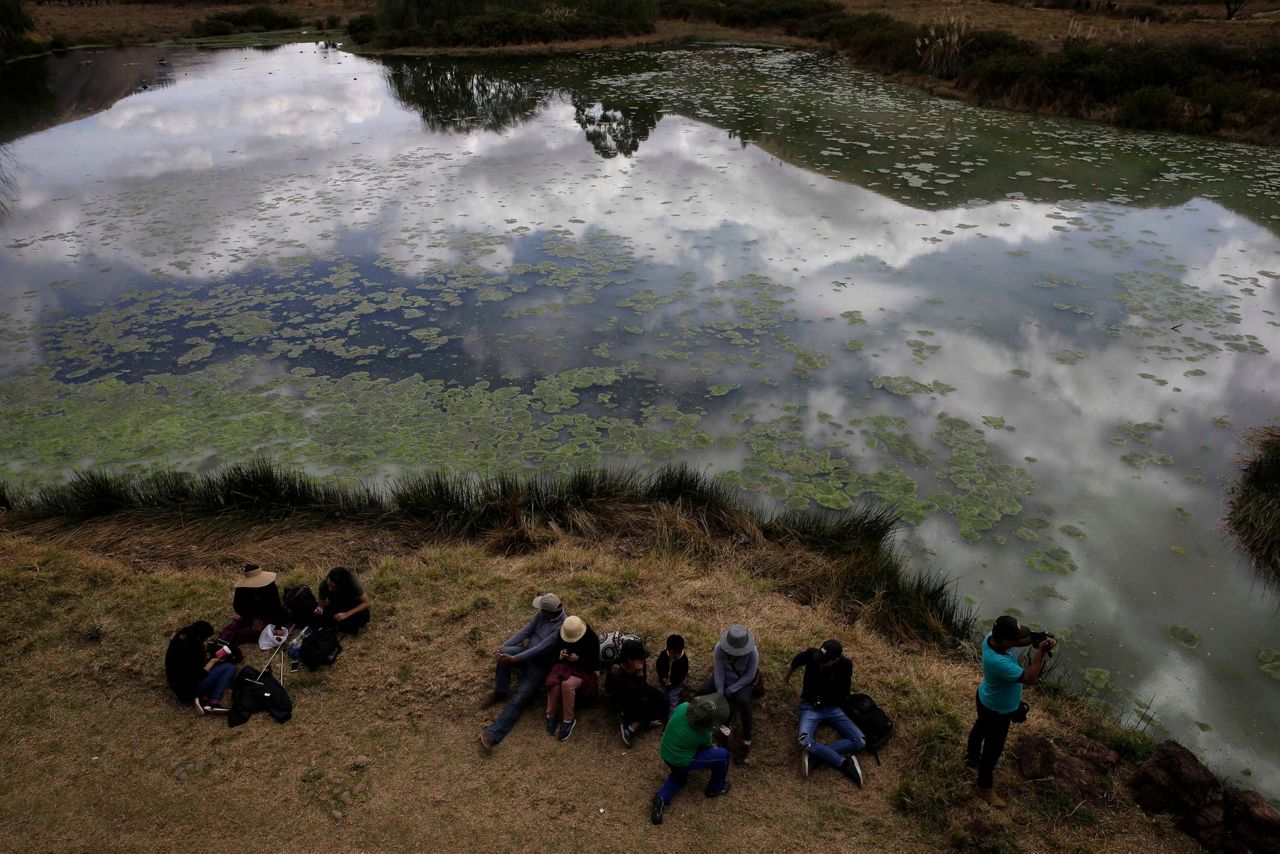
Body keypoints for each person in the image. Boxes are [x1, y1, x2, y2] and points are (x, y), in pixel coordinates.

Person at [967, 615, 1055, 806]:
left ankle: (971, 758)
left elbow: (1021, 638)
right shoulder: (998, 662)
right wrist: (1041, 651)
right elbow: (1030, 678)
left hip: (985, 698)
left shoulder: (992, 636)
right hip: (997, 711)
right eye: (1014, 639)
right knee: (993, 750)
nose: (1018, 641)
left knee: (979, 729)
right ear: (1006, 641)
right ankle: (984, 787)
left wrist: (1036, 637)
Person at [480, 593, 566, 751]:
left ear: (549, 611)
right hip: (526, 654)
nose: (539, 611)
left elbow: (539, 649)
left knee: (519, 698)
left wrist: (514, 659)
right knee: (505, 653)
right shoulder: (542, 615)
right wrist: (503, 647)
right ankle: (500, 692)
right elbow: (525, 631)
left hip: (540, 666)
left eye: (541, 608)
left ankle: (493, 734)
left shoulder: (560, 627)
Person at [783, 638, 864, 786]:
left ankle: (817, 756)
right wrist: (786, 680)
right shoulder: (812, 655)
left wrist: (827, 701)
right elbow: (794, 663)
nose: (820, 662)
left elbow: (844, 693)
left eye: (825, 661)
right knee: (804, 740)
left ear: (836, 660)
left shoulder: (845, 666)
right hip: (809, 707)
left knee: (860, 741)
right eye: (820, 658)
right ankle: (845, 764)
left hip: (833, 708)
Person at [650, 692, 732, 826]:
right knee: (723, 756)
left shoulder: (683, 706)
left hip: (666, 752)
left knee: (679, 778)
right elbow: (708, 748)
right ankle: (715, 788)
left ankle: (661, 797)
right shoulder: (704, 733)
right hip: (681, 761)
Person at [696, 624, 759, 764]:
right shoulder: (719, 648)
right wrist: (720, 693)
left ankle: (746, 740)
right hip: (723, 679)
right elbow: (718, 671)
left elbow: (750, 675)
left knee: (743, 702)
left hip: (741, 682)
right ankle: (699, 725)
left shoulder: (753, 653)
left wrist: (732, 689)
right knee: (702, 692)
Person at [544, 615, 601, 741]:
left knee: (567, 684)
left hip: (585, 671)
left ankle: (568, 720)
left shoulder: (591, 639)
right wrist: (561, 656)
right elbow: (555, 654)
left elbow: (594, 665)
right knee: (554, 682)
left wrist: (578, 659)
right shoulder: (562, 633)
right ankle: (550, 715)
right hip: (564, 666)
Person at [165, 620, 237, 715]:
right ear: (199, 637)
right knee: (229, 667)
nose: (206, 641)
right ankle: (214, 701)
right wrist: (212, 661)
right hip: (189, 690)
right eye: (205, 638)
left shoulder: (181, 636)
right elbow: (200, 675)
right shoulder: (193, 651)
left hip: (177, 686)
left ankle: (203, 697)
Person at [606, 642, 668, 748]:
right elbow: (636, 693)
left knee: (660, 698)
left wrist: (639, 673)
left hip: (637, 688)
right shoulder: (616, 670)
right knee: (643, 703)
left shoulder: (639, 664)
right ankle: (632, 727)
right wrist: (639, 674)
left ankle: (642, 721)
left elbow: (642, 686)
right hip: (621, 696)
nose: (643, 661)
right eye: (640, 658)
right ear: (630, 659)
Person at [220, 563, 286, 646]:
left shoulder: (270, 586)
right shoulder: (241, 589)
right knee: (233, 628)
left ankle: (236, 637)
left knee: (258, 632)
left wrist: (278, 627)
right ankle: (223, 641)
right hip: (250, 615)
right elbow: (238, 606)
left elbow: (276, 606)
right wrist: (251, 619)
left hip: (268, 615)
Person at [313, 566, 371, 634]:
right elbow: (321, 604)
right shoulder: (324, 584)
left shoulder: (352, 584)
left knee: (364, 616)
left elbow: (367, 603)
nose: (329, 589)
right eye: (328, 585)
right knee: (320, 617)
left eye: (332, 587)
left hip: (351, 605)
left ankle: (345, 626)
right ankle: (342, 626)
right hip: (336, 606)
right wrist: (320, 609)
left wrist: (347, 614)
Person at [655, 634, 688, 718]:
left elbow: (682, 675)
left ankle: (670, 718)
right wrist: (663, 678)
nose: (677, 655)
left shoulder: (683, 660)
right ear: (668, 650)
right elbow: (659, 667)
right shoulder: (663, 655)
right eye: (674, 652)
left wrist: (672, 683)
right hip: (664, 681)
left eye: (679, 652)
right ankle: (660, 713)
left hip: (676, 683)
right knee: (661, 695)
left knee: (672, 697)